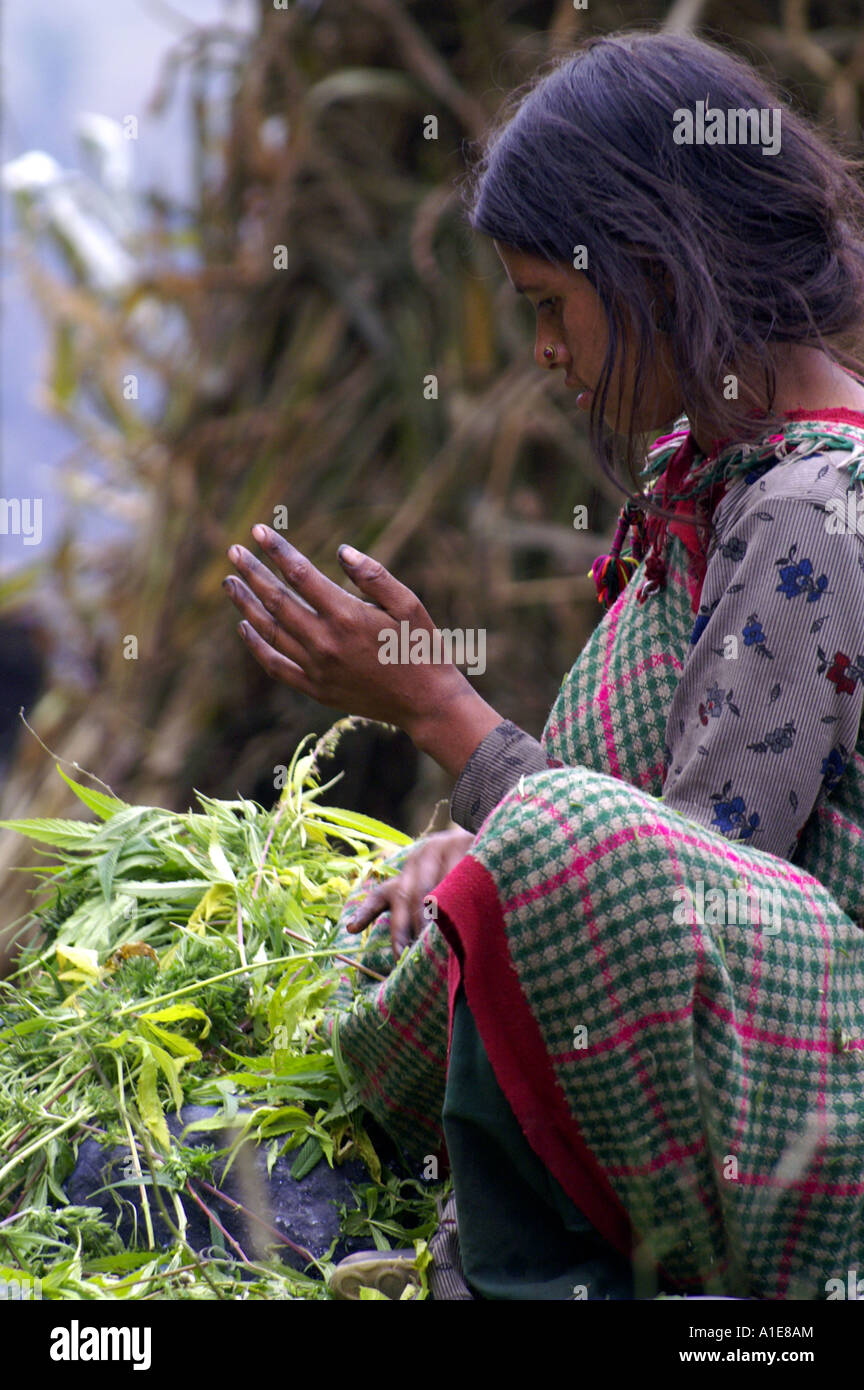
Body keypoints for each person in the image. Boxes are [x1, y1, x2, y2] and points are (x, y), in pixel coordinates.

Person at [223, 29, 864, 1299]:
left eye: (549, 308)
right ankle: (376, 1141)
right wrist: (476, 857)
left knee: (551, 837)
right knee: (407, 902)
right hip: (732, 1056)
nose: (547, 355)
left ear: (650, 268)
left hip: (812, 1105)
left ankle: (461, 1229)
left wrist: (439, 708)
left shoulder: (817, 510)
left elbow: (679, 888)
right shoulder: (718, 481)